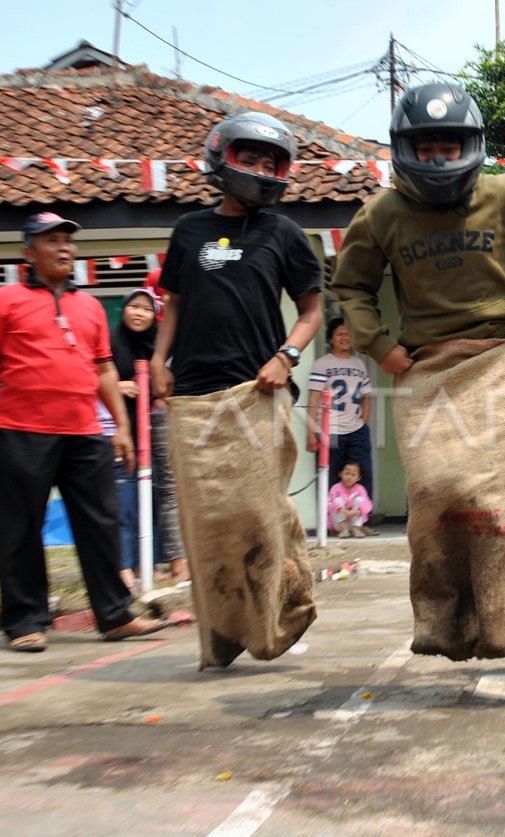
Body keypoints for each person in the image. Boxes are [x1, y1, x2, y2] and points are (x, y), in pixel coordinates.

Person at [332, 82, 505, 662]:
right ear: (404, 150)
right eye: (426, 148)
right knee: (433, 491)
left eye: (450, 147)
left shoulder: (504, 193)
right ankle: (443, 622)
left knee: (488, 493)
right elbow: (352, 284)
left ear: (471, 146)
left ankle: (501, 622)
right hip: (423, 367)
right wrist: (378, 345)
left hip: (495, 358)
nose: (439, 158)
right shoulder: (381, 213)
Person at [151, 111, 323, 668]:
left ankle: (279, 614)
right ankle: (221, 637)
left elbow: (312, 311)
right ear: (221, 158)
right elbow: (173, 303)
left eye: (271, 163)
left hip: (258, 391)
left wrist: (285, 358)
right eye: (250, 159)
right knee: (206, 526)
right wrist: (157, 360)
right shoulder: (188, 230)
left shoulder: (284, 234)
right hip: (192, 399)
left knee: (257, 513)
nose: (260, 170)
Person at [0, 211, 169, 652]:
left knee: (101, 524)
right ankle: (25, 621)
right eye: (51, 241)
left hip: (85, 431)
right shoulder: (1, 299)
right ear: (28, 252)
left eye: (68, 241)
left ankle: (115, 616)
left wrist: (122, 427)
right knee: (20, 529)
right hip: (20, 430)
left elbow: (105, 370)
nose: (64, 249)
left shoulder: (90, 306)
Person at [107, 287, 159, 590]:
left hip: (151, 438)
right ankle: (123, 567)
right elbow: (90, 377)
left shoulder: (158, 346)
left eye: (147, 309)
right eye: (134, 306)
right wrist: (116, 386)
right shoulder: (109, 343)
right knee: (123, 503)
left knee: (149, 502)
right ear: (124, 309)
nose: (140, 313)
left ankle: (145, 564)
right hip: (116, 432)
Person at [142, 269, 188, 582]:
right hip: (164, 413)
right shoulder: (151, 329)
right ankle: (177, 564)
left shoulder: (191, 323)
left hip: (194, 410)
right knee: (170, 490)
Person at [307, 318, 375, 506]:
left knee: (363, 474)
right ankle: (332, 518)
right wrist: (310, 433)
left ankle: (362, 518)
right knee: (331, 476)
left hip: (356, 430)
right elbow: (313, 398)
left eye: (348, 334)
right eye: (340, 334)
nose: (345, 337)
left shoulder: (359, 364)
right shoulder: (322, 364)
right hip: (330, 430)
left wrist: (363, 422)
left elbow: (367, 396)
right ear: (331, 339)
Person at [328, 462, 375, 538]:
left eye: (353, 475)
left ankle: (355, 529)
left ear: (358, 478)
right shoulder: (335, 488)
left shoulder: (360, 488)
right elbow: (329, 503)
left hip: (353, 522)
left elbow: (367, 505)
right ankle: (344, 530)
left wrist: (358, 511)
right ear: (340, 474)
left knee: (360, 500)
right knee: (337, 500)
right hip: (338, 524)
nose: (349, 477)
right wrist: (344, 511)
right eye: (347, 473)